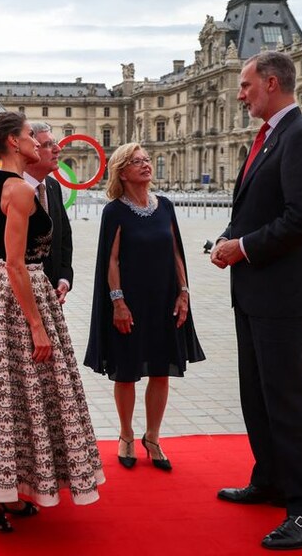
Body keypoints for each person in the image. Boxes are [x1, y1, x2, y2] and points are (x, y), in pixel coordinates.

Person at [0, 111, 104, 533]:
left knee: (13, 396)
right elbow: (17, 263)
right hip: (26, 291)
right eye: (29, 137)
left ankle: (5, 490)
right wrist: (35, 323)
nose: (38, 143)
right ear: (14, 143)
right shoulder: (18, 190)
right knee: (25, 394)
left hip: (3, 294)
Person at [211, 50, 302, 551]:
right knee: (256, 395)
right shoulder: (266, 139)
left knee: (288, 400)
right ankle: (271, 479)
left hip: (282, 294)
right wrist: (228, 238)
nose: (240, 95)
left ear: (273, 83)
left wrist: (245, 247)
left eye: (245, 85)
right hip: (254, 290)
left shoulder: (301, 136)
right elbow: (257, 209)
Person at [84, 142, 204, 472]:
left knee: (162, 369)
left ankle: (153, 437)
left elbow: (176, 252)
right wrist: (118, 302)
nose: (146, 165)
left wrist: (183, 291)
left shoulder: (165, 206)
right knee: (126, 372)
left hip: (164, 298)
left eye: (147, 159)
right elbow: (111, 260)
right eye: (137, 162)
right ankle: (125, 436)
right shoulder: (114, 211)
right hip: (130, 300)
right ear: (122, 172)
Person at [23, 122, 73, 305]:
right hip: (23, 296)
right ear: (31, 150)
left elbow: (64, 237)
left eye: (55, 143)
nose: (58, 149)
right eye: (48, 145)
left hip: (53, 294)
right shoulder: (11, 189)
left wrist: (64, 279)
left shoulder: (53, 186)